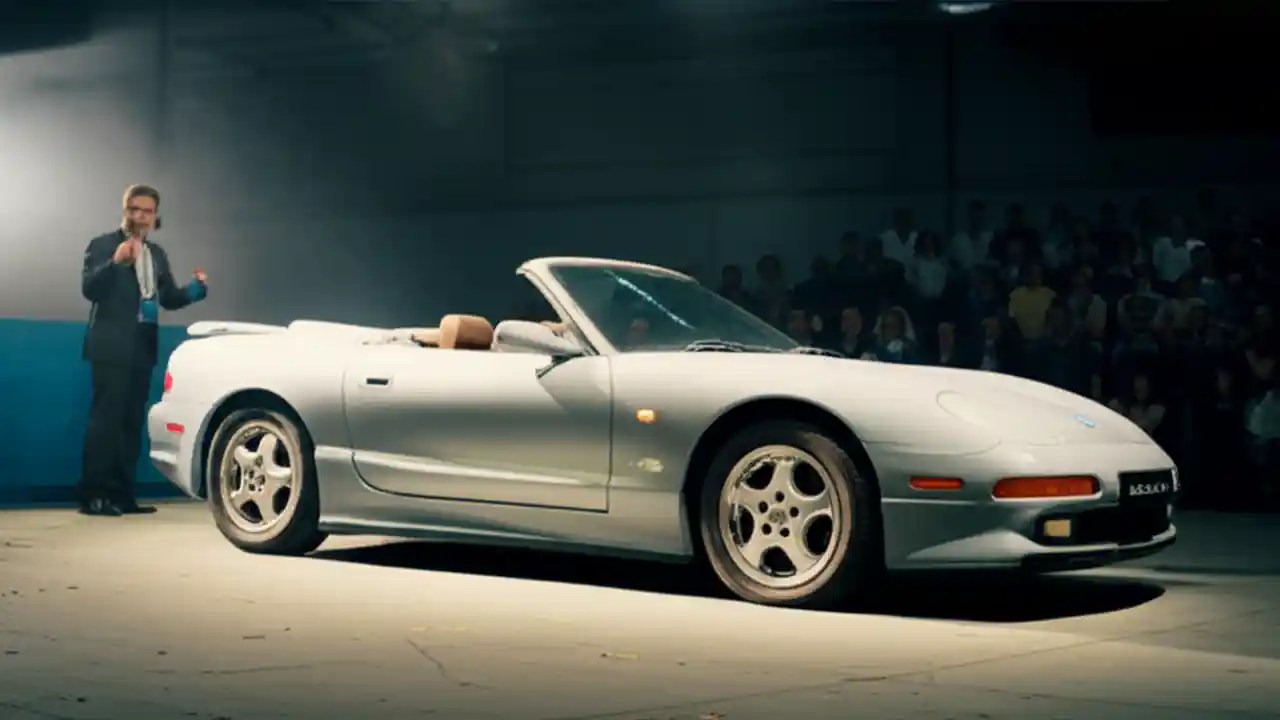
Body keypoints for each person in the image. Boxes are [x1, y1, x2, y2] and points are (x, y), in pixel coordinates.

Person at [78, 184, 209, 516]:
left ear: (154, 216)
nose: (139, 216)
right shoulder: (103, 245)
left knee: (131, 423)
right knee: (105, 422)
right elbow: (90, 289)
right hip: (110, 346)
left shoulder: (157, 254)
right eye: (133, 209)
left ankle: (123, 496)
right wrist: (116, 262)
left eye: (146, 211)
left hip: (142, 347)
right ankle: (94, 496)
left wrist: (196, 289)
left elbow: (169, 298)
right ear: (125, 211)